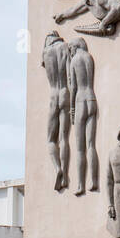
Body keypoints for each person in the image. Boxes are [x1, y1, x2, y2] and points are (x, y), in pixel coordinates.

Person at [66, 38, 99, 195]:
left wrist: (72, 108)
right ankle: (93, 180)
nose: (70, 52)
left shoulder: (75, 60)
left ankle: (80, 184)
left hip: (80, 101)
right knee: (91, 145)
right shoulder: (89, 58)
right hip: (91, 99)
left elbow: (73, 87)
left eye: (70, 49)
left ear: (75, 46)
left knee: (80, 148)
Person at [41, 33, 70, 192]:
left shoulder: (46, 52)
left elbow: (44, 66)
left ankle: (57, 168)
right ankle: (65, 175)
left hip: (53, 95)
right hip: (65, 92)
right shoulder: (64, 47)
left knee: (51, 139)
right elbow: (70, 74)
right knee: (63, 138)